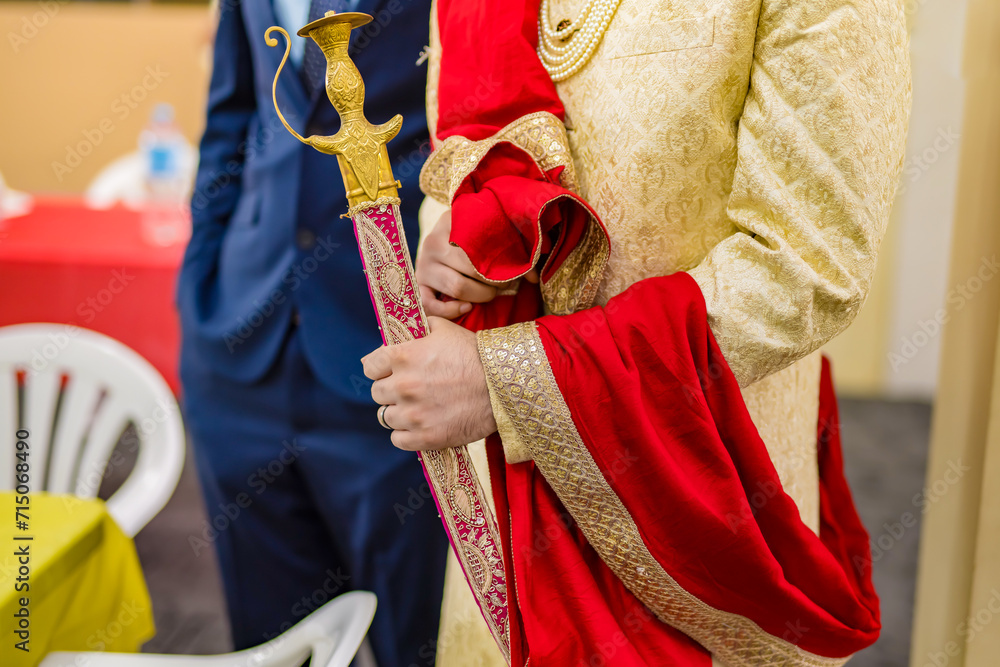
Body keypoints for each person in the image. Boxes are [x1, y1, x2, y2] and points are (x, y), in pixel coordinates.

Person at [361, 0, 912, 664]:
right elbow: (457, 164)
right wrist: (449, 249)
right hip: (507, 518)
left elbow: (807, 268)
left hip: (694, 516)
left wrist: (505, 382)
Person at [176, 0, 447, 663]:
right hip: (240, 346)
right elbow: (232, 118)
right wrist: (200, 278)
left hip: (391, 343)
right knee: (269, 643)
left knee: (412, 641)